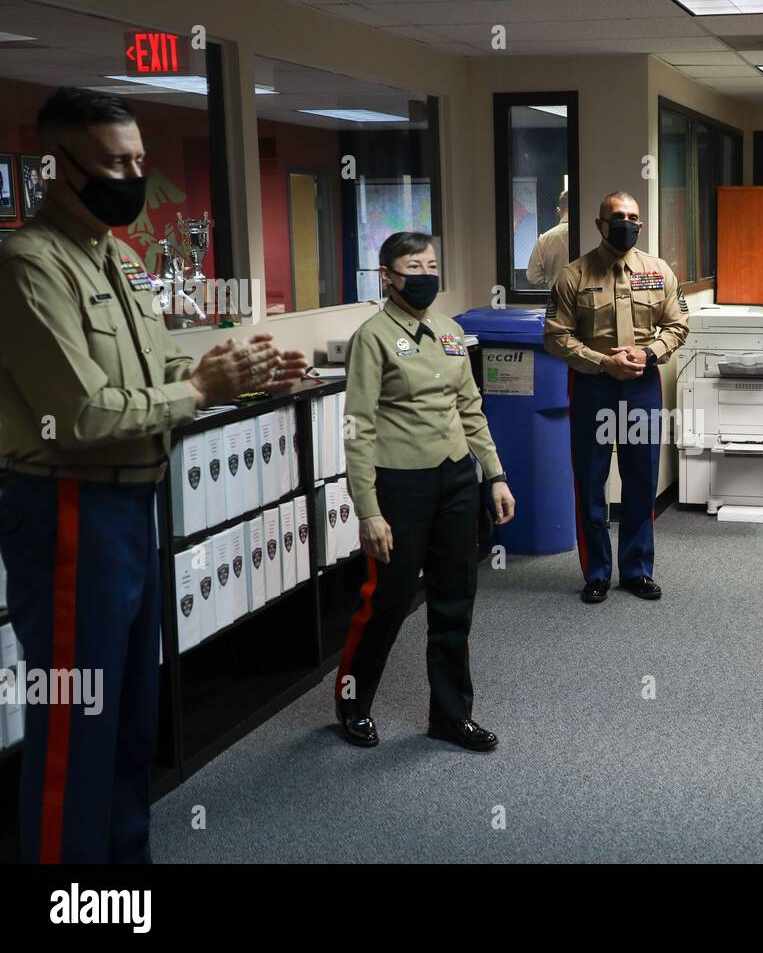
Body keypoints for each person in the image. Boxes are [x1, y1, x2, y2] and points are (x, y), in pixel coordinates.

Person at [0, 87, 306, 863]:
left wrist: (255, 371)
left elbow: (167, 365)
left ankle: (119, 883)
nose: (132, 176)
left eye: (139, 159)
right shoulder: (28, 265)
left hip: (135, 506)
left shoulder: (123, 258)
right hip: (69, 511)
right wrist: (203, 389)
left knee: (134, 718)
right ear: (54, 167)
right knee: (76, 722)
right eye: (113, 161)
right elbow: (81, 415)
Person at [336, 231, 515, 751]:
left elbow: (470, 408)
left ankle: (451, 716)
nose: (425, 275)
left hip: (457, 477)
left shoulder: (450, 330)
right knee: (387, 600)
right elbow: (357, 428)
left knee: (455, 597)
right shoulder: (372, 337)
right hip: (400, 484)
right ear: (387, 277)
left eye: (432, 264)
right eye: (413, 266)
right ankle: (353, 702)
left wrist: (495, 474)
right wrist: (368, 510)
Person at [544, 191, 689, 604]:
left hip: (642, 383)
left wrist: (647, 353)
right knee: (591, 481)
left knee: (641, 478)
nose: (627, 222)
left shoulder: (658, 272)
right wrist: (600, 361)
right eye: (618, 216)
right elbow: (556, 337)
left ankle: (637, 570)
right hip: (593, 384)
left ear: (641, 224)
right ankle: (596, 572)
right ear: (599, 223)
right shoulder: (574, 275)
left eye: (633, 217)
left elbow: (677, 325)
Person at [527, 189, 570, 288]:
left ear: (558, 210)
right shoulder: (590, 234)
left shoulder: (544, 239)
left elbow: (533, 277)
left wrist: (551, 279)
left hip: (556, 298)